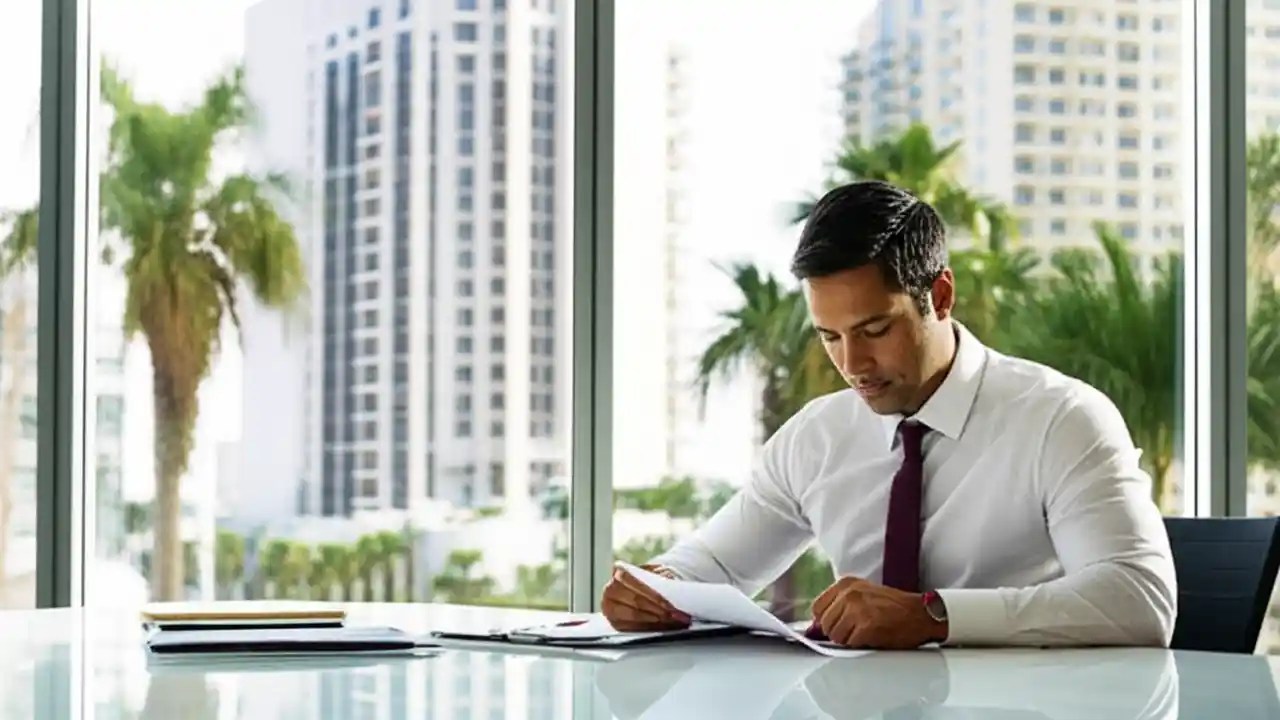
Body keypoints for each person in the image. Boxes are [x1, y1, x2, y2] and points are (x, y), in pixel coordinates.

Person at [600, 180, 1176, 649]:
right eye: (830, 336)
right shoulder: (817, 437)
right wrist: (660, 587)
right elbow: (716, 563)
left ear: (941, 297)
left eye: (875, 330)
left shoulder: (1061, 419)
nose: (853, 364)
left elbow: (1137, 598)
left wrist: (935, 616)